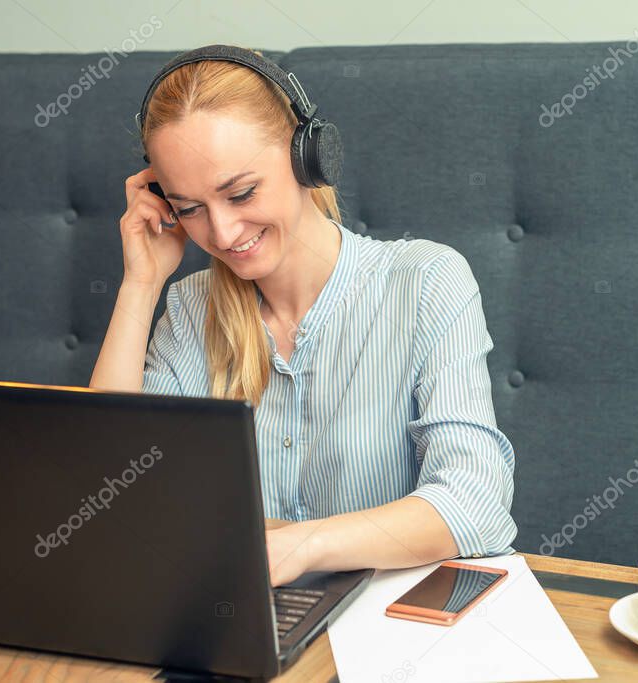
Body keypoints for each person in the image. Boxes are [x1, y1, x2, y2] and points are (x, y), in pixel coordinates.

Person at [90, 46, 516, 587]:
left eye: (241, 192)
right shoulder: (190, 306)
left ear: (305, 158)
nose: (221, 234)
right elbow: (107, 492)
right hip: (238, 620)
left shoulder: (425, 281)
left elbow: (474, 500)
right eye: (190, 208)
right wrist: (142, 283)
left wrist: (305, 544)